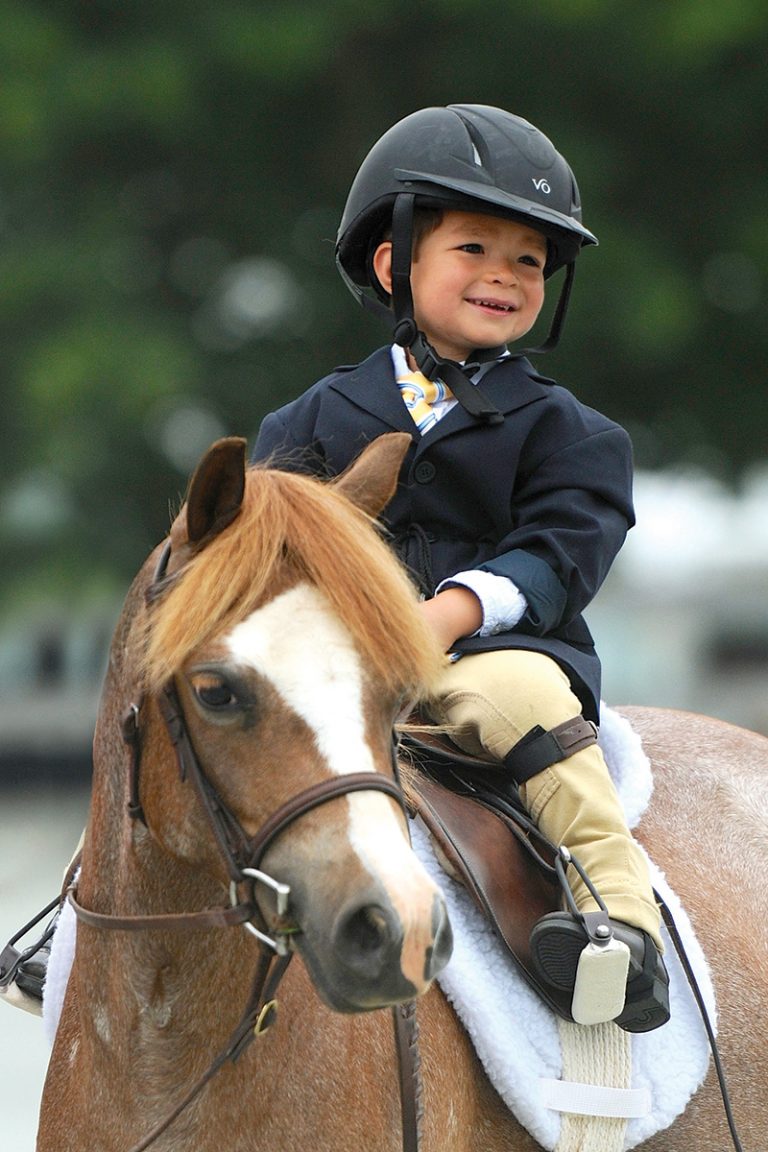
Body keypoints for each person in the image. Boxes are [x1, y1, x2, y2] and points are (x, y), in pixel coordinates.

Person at [252, 103, 669, 1032]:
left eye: (528, 261)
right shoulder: (310, 419)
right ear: (396, 263)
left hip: (488, 652)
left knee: (521, 702)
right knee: (200, 714)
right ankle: (85, 925)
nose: (504, 276)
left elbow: (565, 545)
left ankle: (621, 923)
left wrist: (447, 614)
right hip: (336, 663)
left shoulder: (575, 433)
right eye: (474, 248)